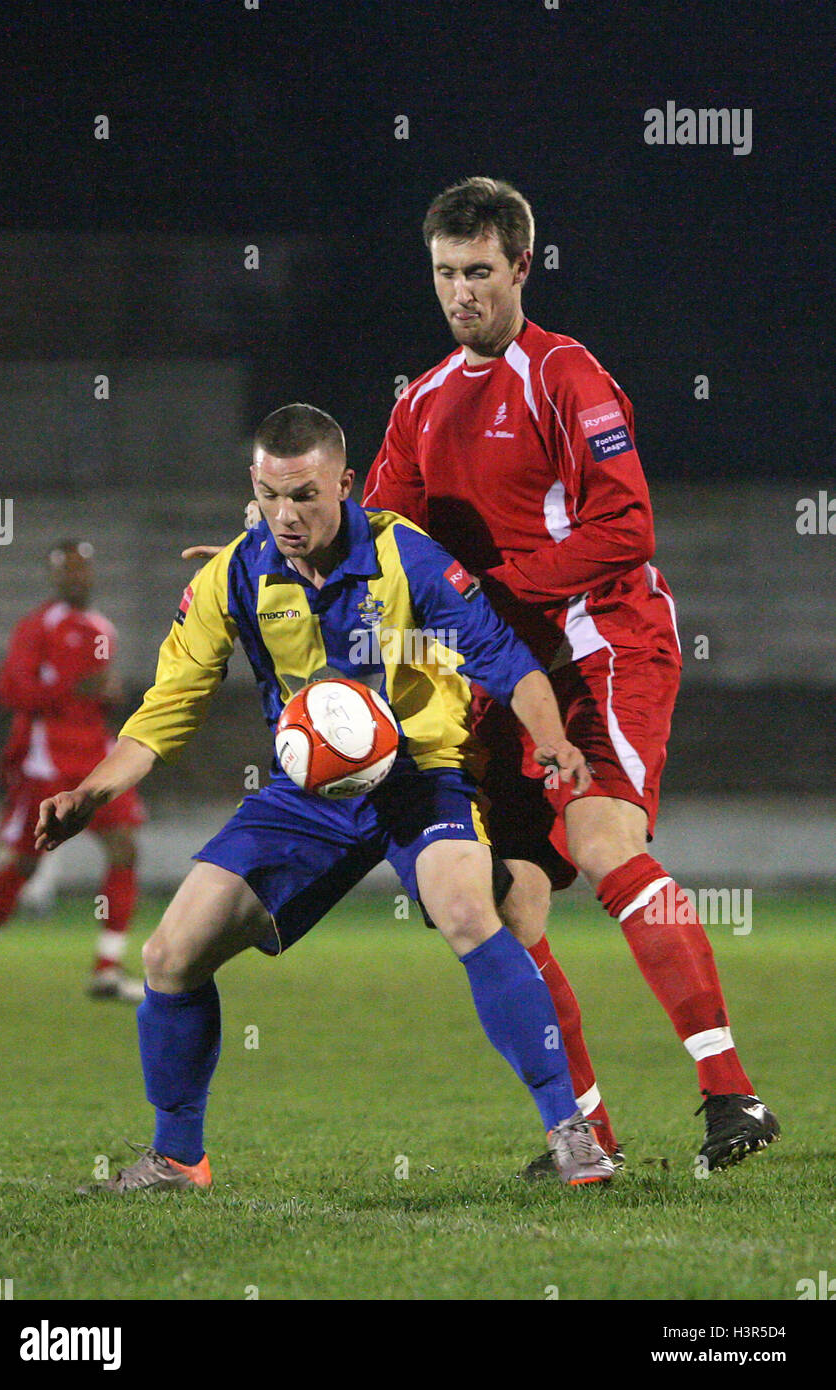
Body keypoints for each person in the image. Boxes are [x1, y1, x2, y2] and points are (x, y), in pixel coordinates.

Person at [35, 403, 616, 1192]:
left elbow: (504, 658)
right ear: (253, 485)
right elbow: (168, 708)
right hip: (306, 795)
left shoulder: (408, 559)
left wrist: (550, 738)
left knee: (469, 911)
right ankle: (178, 1158)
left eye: (305, 494)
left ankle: (571, 1133)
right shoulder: (231, 576)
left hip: (419, 775)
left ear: (345, 484)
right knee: (170, 957)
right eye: (271, 495)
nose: (287, 514)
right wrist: (91, 791)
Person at [362, 177, 780, 1173]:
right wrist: (266, 560)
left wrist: (492, 589)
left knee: (597, 834)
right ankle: (585, 1131)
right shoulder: (418, 406)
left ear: (521, 267)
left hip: (606, 642)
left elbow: (626, 526)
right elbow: (379, 542)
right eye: (442, 273)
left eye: (477, 271)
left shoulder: (565, 375)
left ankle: (730, 1093)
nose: (459, 292)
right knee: (505, 899)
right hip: (503, 673)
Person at [0, 540, 145, 1010]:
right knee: (26, 862)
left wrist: (107, 693)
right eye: (66, 571)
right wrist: (73, 688)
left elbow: (94, 695)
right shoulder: (37, 626)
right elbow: (11, 690)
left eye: (81, 569)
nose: (76, 578)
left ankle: (107, 969)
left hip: (95, 756)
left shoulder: (101, 628)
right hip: (48, 759)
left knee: (125, 849)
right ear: (54, 577)